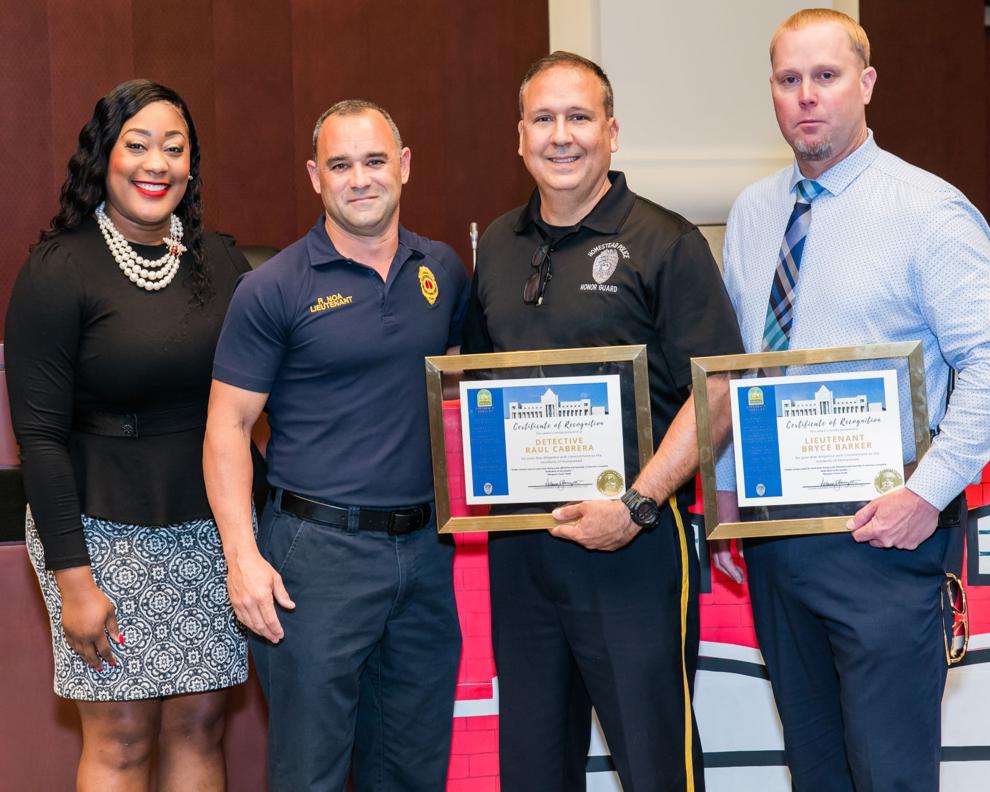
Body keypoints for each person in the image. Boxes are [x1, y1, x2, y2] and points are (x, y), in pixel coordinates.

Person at [713, 9, 990, 790]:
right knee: (817, 773)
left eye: (826, 77)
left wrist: (926, 494)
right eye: (789, 79)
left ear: (865, 84)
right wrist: (729, 492)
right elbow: (741, 369)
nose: (806, 96)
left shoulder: (929, 212)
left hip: (886, 541)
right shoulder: (753, 213)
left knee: (888, 775)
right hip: (777, 543)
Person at [460, 51, 743, 792]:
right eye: (544, 119)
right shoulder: (498, 246)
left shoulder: (666, 242)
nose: (562, 136)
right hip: (523, 552)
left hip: (634, 546)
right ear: (520, 137)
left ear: (611, 132)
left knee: (654, 765)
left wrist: (637, 504)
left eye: (579, 118)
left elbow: (716, 392)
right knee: (533, 769)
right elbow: (481, 385)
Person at [204, 99, 467, 791]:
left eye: (375, 161)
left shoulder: (442, 270)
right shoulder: (272, 288)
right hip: (316, 559)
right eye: (341, 165)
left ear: (404, 166)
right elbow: (227, 427)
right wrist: (242, 559)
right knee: (310, 774)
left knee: (413, 772)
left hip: (425, 554)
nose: (360, 179)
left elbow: (464, 390)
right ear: (315, 176)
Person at [5, 79, 251, 790]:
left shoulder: (220, 262)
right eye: (137, 145)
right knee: (119, 735)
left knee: (200, 725)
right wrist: (73, 581)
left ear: (192, 165)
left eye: (175, 148)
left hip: (209, 528)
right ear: (103, 156)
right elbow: (39, 439)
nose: (156, 164)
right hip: (97, 532)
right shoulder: (58, 269)